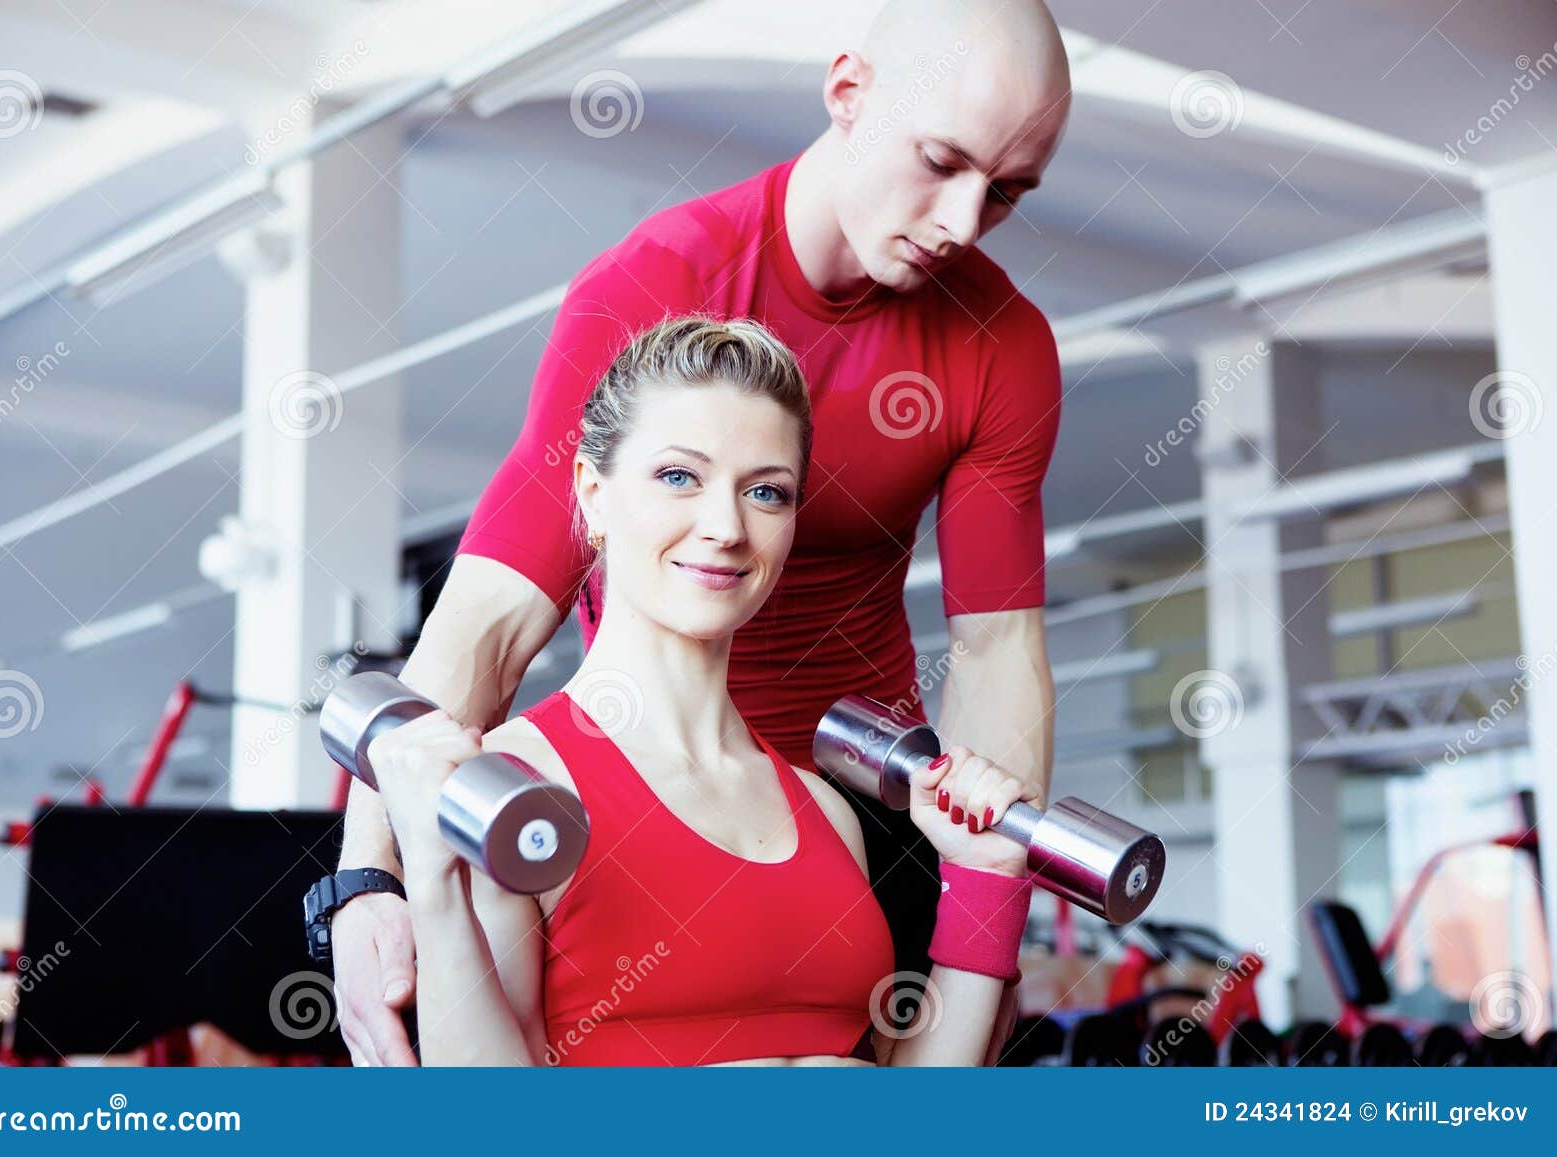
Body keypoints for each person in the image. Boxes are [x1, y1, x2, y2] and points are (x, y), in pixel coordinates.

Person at [333, 0, 1072, 1067]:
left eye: (1004, 191)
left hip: (854, 812)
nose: (962, 220)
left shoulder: (1001, 343)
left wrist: (989, 877)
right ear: (848, 93)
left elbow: (999, 650)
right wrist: (370, 881)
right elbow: (493, 611)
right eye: (941, 161)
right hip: (633, 797)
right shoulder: (658, 282)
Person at [366, 316, 1036, 1065]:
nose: (725, 526)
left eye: (767, 492)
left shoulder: (822, 811)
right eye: (679, 476)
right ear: (593, 492)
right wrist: (429, 880)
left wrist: (984, 881)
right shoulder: (517, 792)